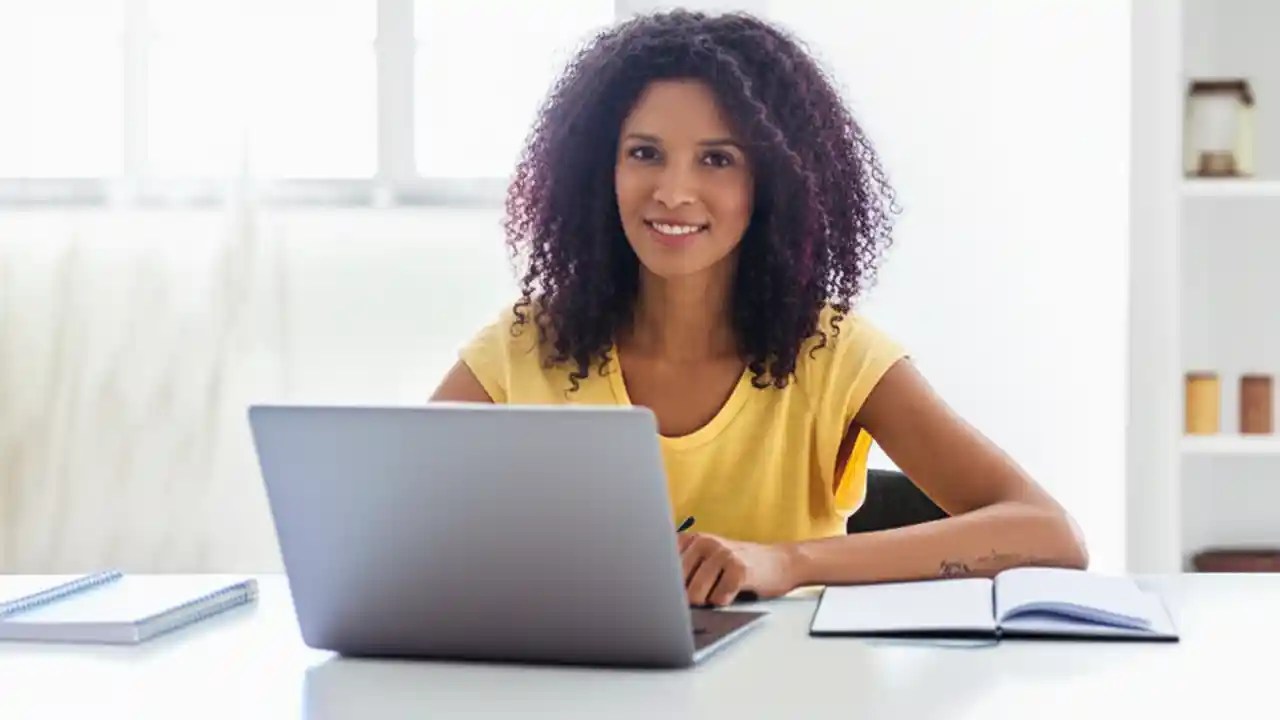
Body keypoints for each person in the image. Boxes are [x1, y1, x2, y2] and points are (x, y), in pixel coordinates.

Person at [430, 10, 1088, 607]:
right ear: (599, 169)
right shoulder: (529, 344)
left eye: (717, 159)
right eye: (644, 153)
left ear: (772, 183)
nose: (674, 190)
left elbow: (1050, 535)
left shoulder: (830, 353)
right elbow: (380, 521)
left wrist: (789, 563)